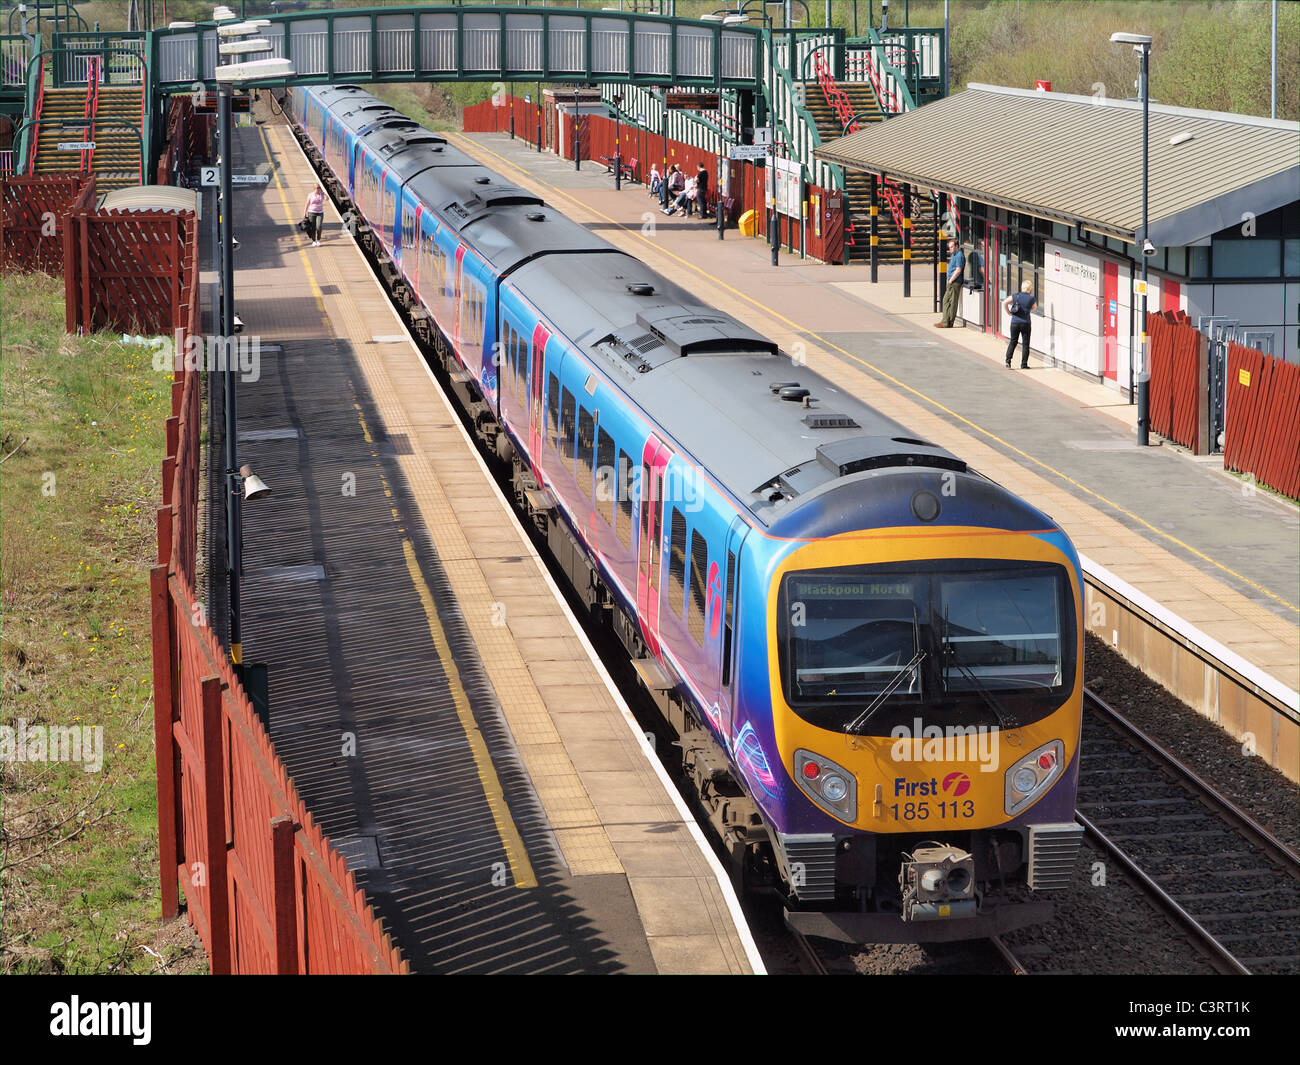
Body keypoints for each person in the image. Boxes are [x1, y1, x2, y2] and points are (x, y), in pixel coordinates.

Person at [1004, 281, 1037, 368]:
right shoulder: (1031, 298)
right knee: (1025, 344)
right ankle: (1024, 364)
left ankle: (1008, 361)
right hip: (1026, 323)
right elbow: (1034, 308)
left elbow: (1005, 302)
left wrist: (1009, 313)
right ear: (1030, 289)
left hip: (1015, 322)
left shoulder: (1016, 296)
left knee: (1013, 341)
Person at [935, 239, 964, 328]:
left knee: (951, 301)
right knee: (946, 300)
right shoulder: (954, 255)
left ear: (956, 246)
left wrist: (951, 280)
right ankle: (946, 321)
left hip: (955, 281)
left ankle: (947, 322)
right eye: (949, 247)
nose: (950, 249)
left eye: (951, 247)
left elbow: (958, 270)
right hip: (952, 281)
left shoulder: (959, 256)